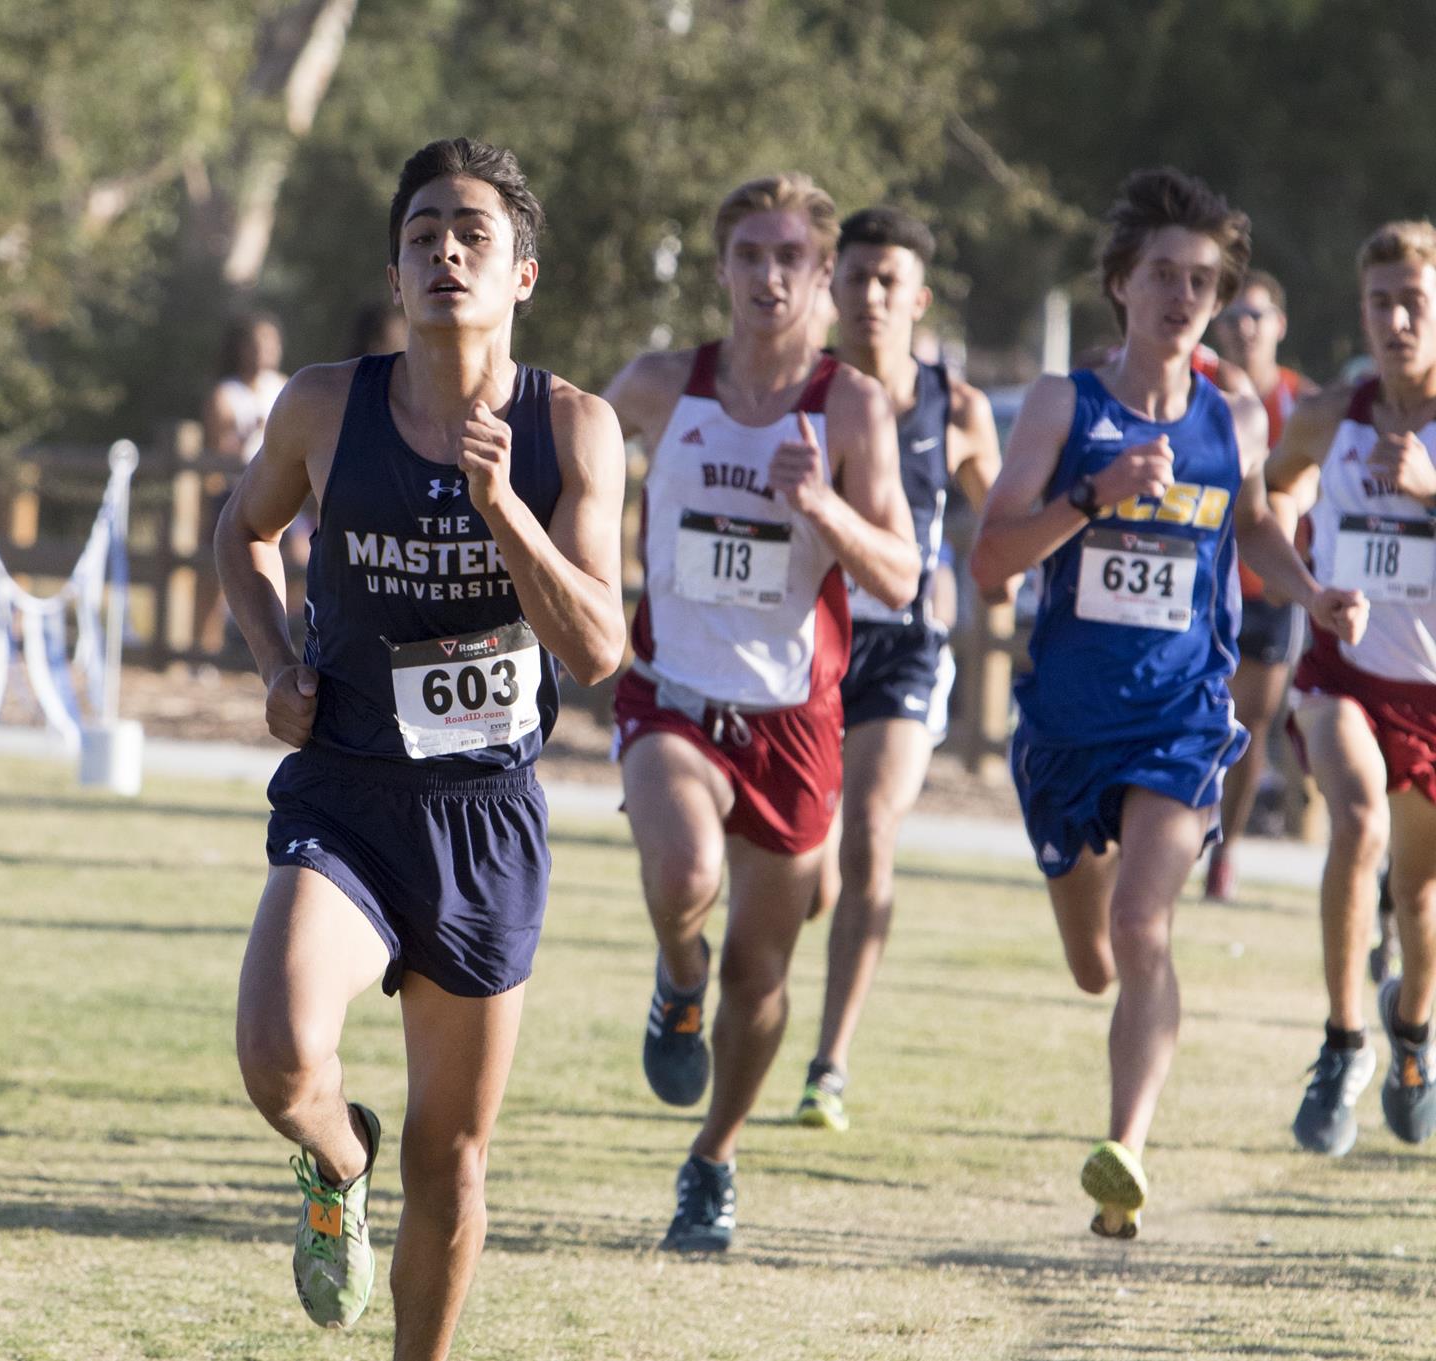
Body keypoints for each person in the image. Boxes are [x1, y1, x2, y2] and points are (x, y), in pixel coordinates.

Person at [216, 138, 624, 1358]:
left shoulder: (573, 428)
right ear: (394, 274)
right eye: (421, 234)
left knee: (451, 1155)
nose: (445, 250)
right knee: (279, 1057)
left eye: (472, 233)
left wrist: (503, 511)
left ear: (522, 274)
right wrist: (276, 663)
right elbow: (241, 531)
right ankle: (339, 1157)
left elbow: (596, 646)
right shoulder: (323, 406)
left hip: (482, 815)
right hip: (345, 791)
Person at [968, 169, 1365, 1238]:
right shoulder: (1063, 405)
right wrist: (1092, 495)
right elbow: (990, 561)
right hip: (1065, 720)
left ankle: (1124, 1156)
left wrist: (1311, 591)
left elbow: (1250, 525)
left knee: (1143, 924)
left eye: (1200, 279)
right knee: (1094, 957)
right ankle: (1104, 977)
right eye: (1161, 274)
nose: (1181, 295)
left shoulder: (1232, 412)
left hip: (1180, 713)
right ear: (1119, 284)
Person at [605, 174, 918, 1252]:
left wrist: (820, 502)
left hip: (793, 716)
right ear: (721, 267)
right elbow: (568, 471)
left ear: (821, 273)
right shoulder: (659, 386)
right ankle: (675, 975)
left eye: (790, 257)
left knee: (762, 974)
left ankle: (714, 1157)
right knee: (685, 872)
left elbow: (900, 575)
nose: (768, 276)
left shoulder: (851, 406)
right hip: (671, 694)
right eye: (749, 254)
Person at [793, 207, 1009, 1133]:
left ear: (919, 299)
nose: (873, 296)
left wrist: (997, 576)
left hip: (905, 646)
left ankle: (829, 1065)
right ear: (832, 287)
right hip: (802, 642)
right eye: (858, 277)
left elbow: (999, 517)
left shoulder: (957, 406)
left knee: (872, 832)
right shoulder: (800, 389)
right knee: (806, 870)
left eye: (892, 281)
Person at [1270, 220, 1436, 1156]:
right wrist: (1310, 586)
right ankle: (1342, 1043)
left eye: (1415, 302)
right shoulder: (1329, 415)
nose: (1397, 320)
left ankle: (1411, 1031)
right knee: (1359, 819)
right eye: (1381, 303)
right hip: (1346, 674)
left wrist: (1430, 492)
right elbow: (1271, 496)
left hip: (1433, 696)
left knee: (1420, 900)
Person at [1205, 270, 1320, 898]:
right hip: (1202, 585)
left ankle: (1226, 849)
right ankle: (1176, 832)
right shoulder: (1204, 390)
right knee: (1196, 718)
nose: (1243, 328)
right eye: (1233, 317)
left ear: (1280, 325)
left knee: (1249, 725)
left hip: (1270, 589)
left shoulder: (1306, 404)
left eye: (1256, 316)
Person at [196, 313, 289, 660]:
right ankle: (204, 653)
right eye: (257, 343)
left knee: (299, 563)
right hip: (234, 492)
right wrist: (252, 432)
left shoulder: (286, 387)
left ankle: (286, 646)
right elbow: (217, 452)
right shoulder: (225, 394)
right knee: (216, 575)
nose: (265, 350)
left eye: (271, 342)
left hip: (282, 494)